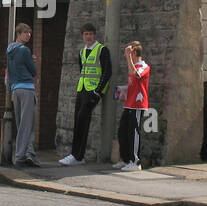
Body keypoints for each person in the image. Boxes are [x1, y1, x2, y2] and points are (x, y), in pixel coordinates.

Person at [60, 23, 112, 166]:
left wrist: (98, 91)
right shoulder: (82, 52)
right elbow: (82, 69)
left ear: (94, 35)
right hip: (82, 89)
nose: (88, 37)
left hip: (92, 91)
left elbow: (107, 72)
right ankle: (75, 155)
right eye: (86, 34)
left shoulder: (102, 50)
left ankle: (77, 156)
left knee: (83, 120)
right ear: (82, 36)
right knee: (78, 121)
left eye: (90, 34)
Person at [6, 23, 40, 167]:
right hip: (26, 88)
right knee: (27, 124)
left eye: (29, 33)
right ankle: (20, 156)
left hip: (15, 89)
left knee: (21, 123)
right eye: (25, 32)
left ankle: (29, 153)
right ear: (18, 34)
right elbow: (33, 71)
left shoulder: (9, 50)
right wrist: (32, 61)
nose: (28, 35)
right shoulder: (25, 50)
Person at [115, 41, 150, 171]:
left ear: (134, 53)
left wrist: (129, 57)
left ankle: (135, 162)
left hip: (137, 104)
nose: (126, 56)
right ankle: (125, 159)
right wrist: (123, 90)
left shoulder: (144, 66)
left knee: (133, 132)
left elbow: (136, 74)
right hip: (129, 103)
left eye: (128, 53)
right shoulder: (132, 65)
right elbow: (133, 83)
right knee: (122, 131)